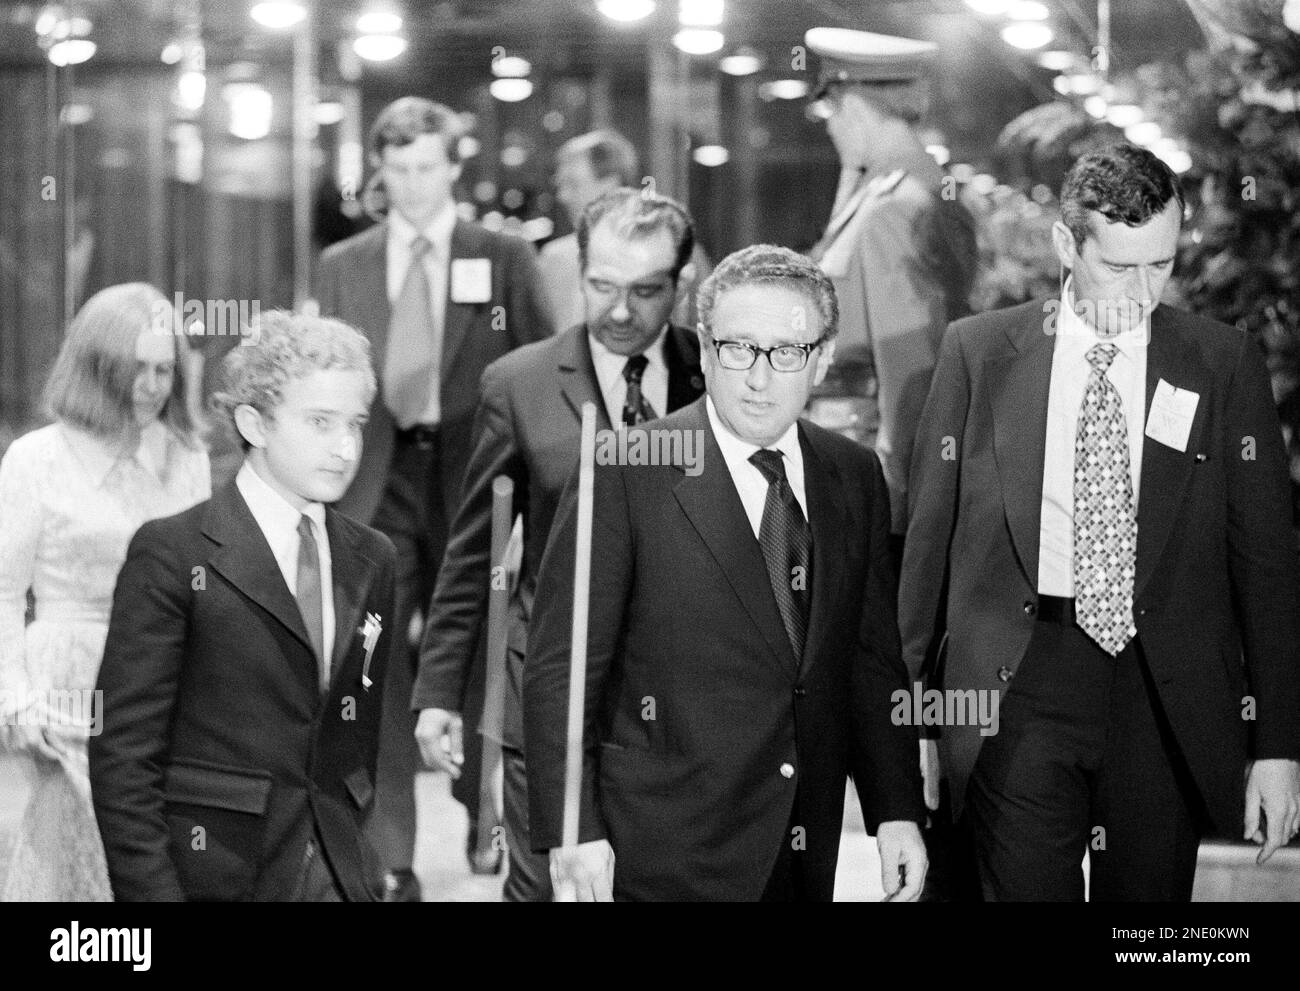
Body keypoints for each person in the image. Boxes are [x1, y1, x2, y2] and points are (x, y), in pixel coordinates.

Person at [899, 144, 1300, 901]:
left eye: (1162, 265)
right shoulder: (980, 354)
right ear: (1066, 245)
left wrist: (1279, 747)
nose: (1143, 290)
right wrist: (913, 721)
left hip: (1162, 694)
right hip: (1019, 682)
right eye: (1120, 267)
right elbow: (927, 548)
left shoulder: (1221, 364)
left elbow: (1268, 568)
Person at [523, 244, 927, 901]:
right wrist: (573, 828)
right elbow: (561, 667)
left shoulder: (853, 474)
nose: (758, 378)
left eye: (786, 352)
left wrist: (896, 810)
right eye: (738, 348)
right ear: (706, 350)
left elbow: (871, 660)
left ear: (822, 357)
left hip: (802, 841)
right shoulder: (628, 469)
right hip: (660, 846)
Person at [412, 188, 706, 902]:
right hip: (545, 689)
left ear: (681, 284)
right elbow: (472, 551)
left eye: (645, 290)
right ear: (579, 271)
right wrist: (439, 692)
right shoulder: (519, 382)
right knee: (543, 888)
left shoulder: (719, 377)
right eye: (601, 284)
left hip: (679, 698)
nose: (619, 310)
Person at [315, 97, 554, 898]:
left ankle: (484, 806)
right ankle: (393, 853)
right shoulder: (343, 262)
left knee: (487, 648)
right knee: (373, 653)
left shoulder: (503, 254)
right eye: (397, 169)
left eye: (426, 167)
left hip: (477, 478)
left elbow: (541, 364)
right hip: (377, 476)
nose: (412, 185)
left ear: (453, 167)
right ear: (380, 172)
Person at [89, 311, 397, 902]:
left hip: (336, 868)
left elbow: (357, 730)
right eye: (320, 423)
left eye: (355, 424)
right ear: (254, 423)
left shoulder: (372, 557)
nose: (345, 447)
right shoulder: (172, 553)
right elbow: (122, 756)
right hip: (216, 869)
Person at [0, 283, 210, 901]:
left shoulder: (187, 454)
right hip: (64, 689)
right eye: (135, 368)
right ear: (97, 368)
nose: (151, 385)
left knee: (152, 866)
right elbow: (3, 592)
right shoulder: (37, 457)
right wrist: (14, 699)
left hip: (165, 679)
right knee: (71, 871)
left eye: (164, 369)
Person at [804, 27, 978, 549]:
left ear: (852, 108)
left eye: (831, 115)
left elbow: (910, 366)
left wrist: (898, 507)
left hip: (863, 471)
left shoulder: (894, 210)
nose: (831, 131)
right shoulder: (896, 192)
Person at [539, 129, 712, 332]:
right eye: (560, 185)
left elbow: (704, 333)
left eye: (573, 184)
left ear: (610, 184)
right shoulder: (556, 259)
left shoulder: (682, 254)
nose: (562, 196)